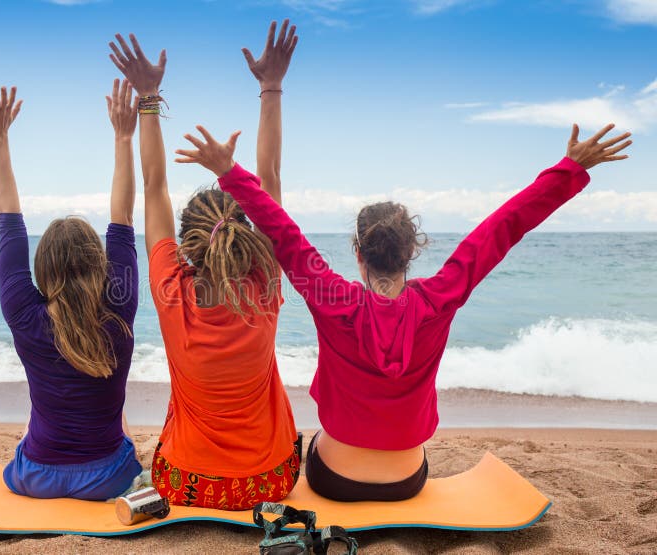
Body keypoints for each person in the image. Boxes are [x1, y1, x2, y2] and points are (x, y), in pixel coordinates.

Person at [175, 122, 632, 502]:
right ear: (411, 252)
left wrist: (228, 172)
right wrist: (569, 170)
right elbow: (502, 228)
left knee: (310, 442)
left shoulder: (331, 297)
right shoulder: (442, 296)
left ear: (358, 253)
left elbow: (282, 232)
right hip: (407, 483)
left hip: (335, 479)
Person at [107, 21, 300, 510]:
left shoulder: (171, 289)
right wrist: (271, 85)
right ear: (246, 234)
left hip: (186, 482)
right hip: (268, 482)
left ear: (189, 244)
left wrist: (148, 97)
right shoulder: (265, 279)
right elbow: (271, 177)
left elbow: (154, 188)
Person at [0, 81, 143, 500]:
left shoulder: (22, 311)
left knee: (34, 418)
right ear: (99, 263)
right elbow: (123, 218)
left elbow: (9, 223)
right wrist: (123, 137)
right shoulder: (119, 306)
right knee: (119, 421)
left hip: (36, 478)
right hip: (109, 478)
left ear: (43, 268)